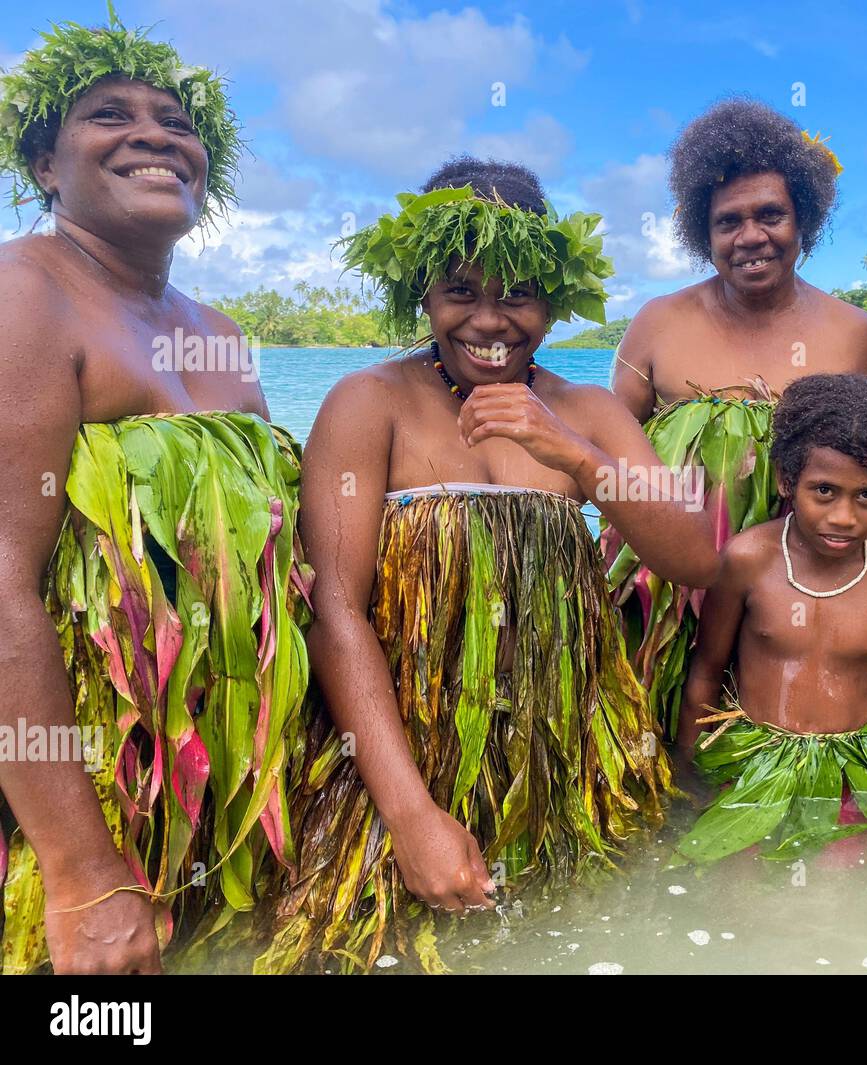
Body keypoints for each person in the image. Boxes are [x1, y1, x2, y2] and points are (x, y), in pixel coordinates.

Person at [259, 157, 718, 973]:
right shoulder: (371, 403)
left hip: (556, 767)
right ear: (424, 295)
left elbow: (692, 555)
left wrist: (574, 454)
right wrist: (409, 818)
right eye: (461, 291)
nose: (490, 319)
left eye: (517, 294)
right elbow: (336, 615)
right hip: (403, 768)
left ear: (553, 300)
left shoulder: (587, 411)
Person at [0, 13, 311, 976]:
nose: (155, 135)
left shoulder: (216, 331)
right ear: (46, 162)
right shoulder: (26, 295)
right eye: (110, 115)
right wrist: (82, 870)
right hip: (92, 785)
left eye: (177, 123)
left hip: (225, 791)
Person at [606, 98, 867, 739]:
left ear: (804, 220)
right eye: (728, 221)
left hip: (797, 602)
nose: (751, 237)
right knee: (657, 744)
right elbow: (608, 451)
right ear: (703, 234)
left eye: (771, 215)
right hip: (665, 595)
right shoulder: (658, 323)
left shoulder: (856, 336)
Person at [674, 374, 867, 864]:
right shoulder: (749, 560)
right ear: (787, 482)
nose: (843, 517)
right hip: (749, 763)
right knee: (735, 887)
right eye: (824, 491)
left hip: (846, 772)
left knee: (831, 898)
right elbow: (706, 671)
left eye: (866, 496)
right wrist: (691, 775)